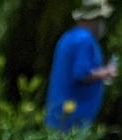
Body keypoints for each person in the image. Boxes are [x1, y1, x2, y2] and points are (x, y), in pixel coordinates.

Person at [45, 0, 117, 131]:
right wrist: (107, 72)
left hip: (58, 112)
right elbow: (82, 73)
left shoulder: (69, 36)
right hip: (71, 119)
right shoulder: (85, 40)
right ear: (94, 19)